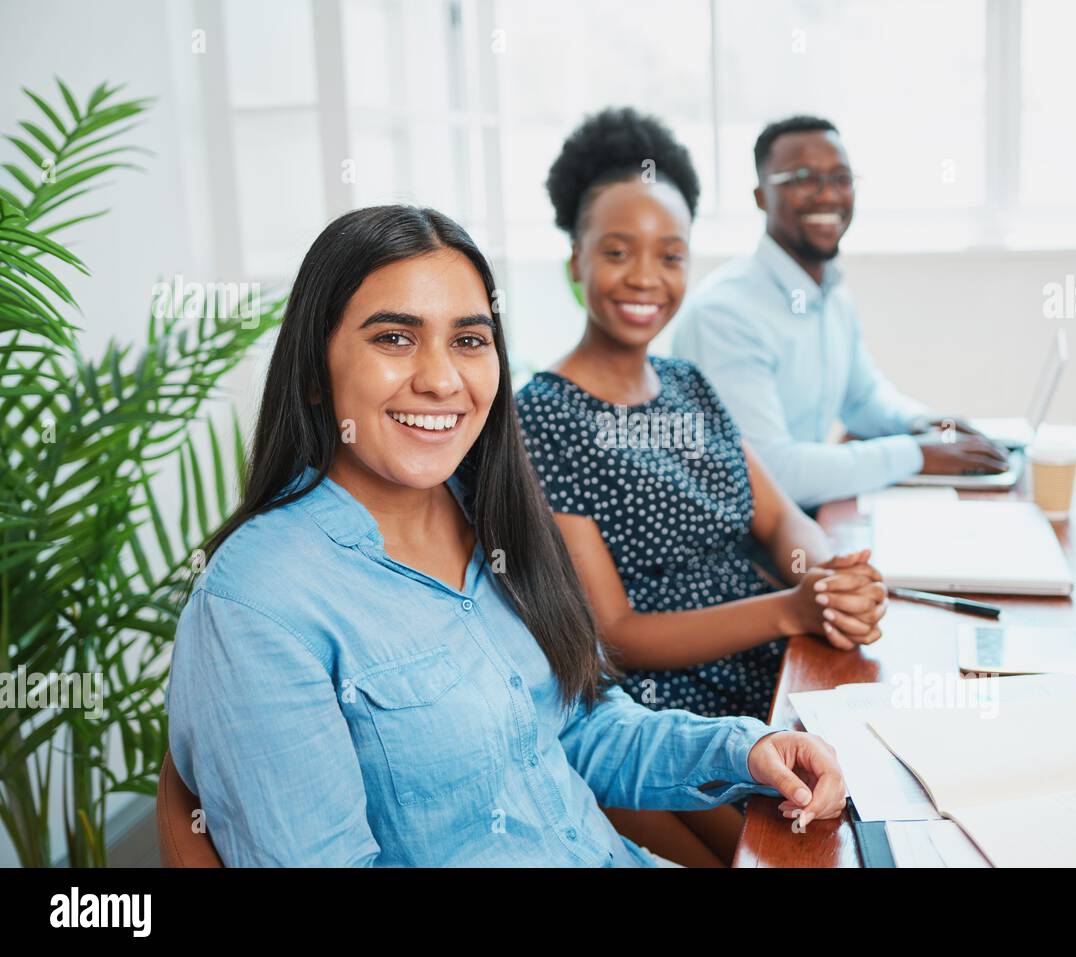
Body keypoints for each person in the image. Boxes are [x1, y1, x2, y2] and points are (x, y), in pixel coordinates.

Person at [164, 204, 846, 867]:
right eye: (394, 337)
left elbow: (580, 727)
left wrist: (748, 749)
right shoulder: (258, 601)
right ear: (315, 372)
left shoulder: (495, 515)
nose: (440, 379)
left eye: (469, 339)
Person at [517, 108, 888, 728]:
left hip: (779, 665)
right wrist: (793, 610)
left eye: (670, 256)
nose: (645, 277)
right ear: (574, 262)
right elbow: (616, 634)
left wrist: (825, 579)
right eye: (617, 252)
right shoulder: (545, 417)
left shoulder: (689, 385)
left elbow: (780, 518)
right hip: (675, 711)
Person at [672, 115, 1010, 509]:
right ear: (760, 196)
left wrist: (924, 424)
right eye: (803, 178)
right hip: (749, 546)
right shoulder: (725, 315)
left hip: (808, 518)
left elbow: (862, 398)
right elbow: (772, 474)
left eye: (841, 178)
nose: (828, 195)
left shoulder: (830, 292)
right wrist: (917, 454)